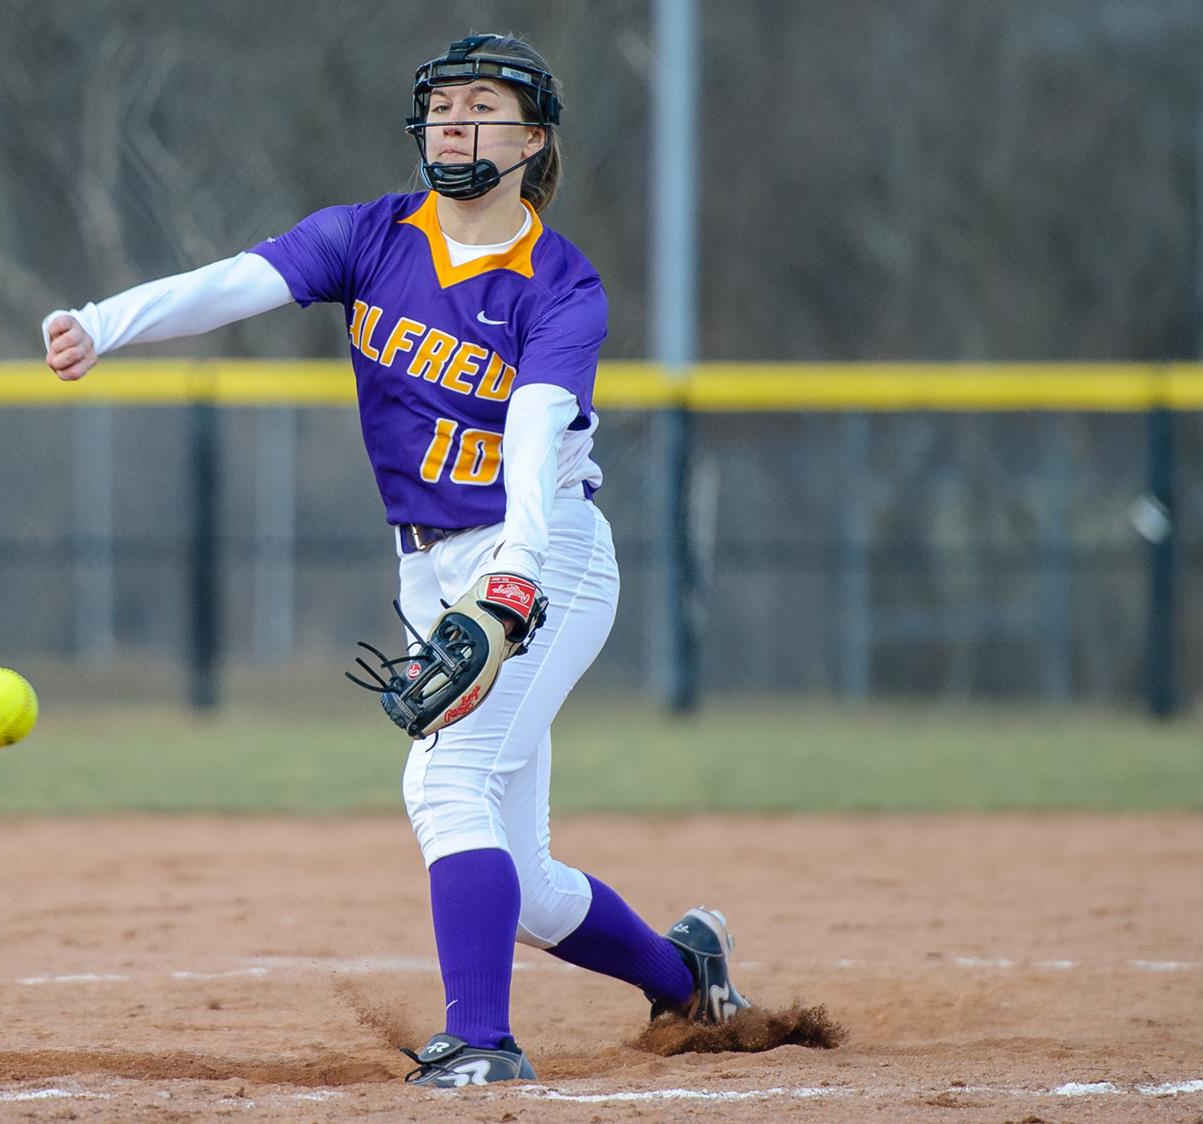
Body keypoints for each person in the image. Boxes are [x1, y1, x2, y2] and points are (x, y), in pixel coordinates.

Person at [42, 33, 750, 1089]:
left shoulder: (559, 284)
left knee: (444, 776)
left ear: (533, 139)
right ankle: (685, 977)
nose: (455, 123)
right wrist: (103, 323)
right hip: (434, 573)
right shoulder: (372, 236)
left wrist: (512, 578)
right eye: (442, 106)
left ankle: (481, 1040)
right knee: (526, 878)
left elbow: (535, 426)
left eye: (482, 106)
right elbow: (236, 281)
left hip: (545, 554)